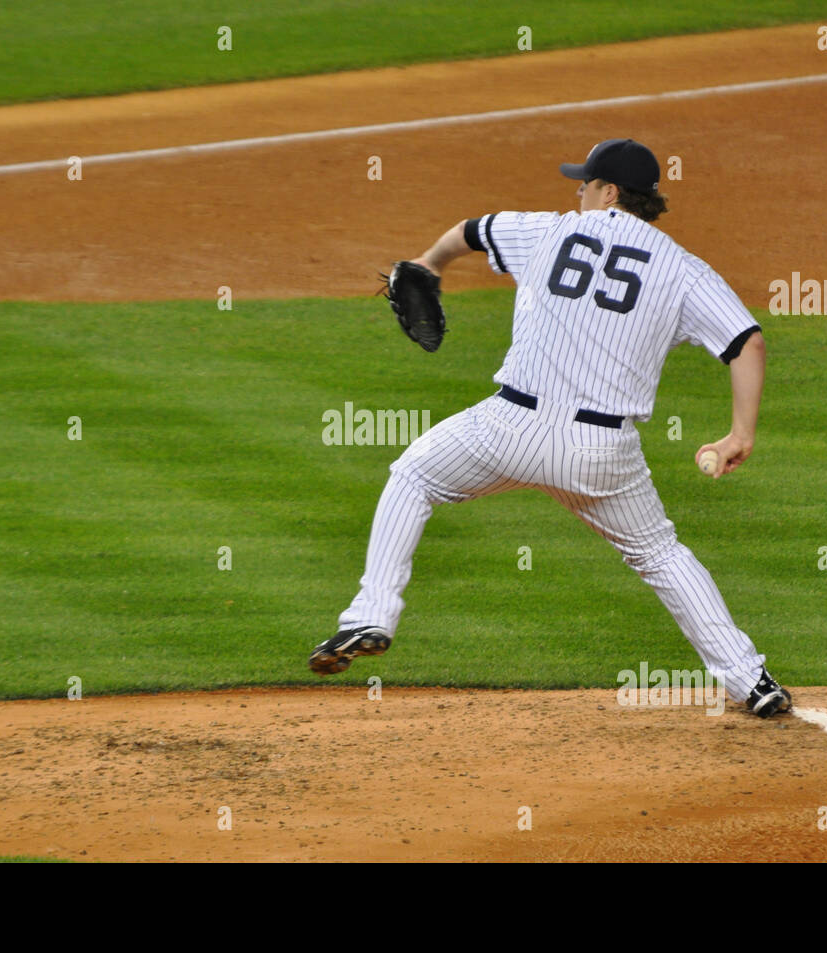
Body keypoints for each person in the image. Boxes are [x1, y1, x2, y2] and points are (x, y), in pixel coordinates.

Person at [309, 138, 792, 718]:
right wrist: (740, 433)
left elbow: (471, 229)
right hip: (600, 452)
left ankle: (370, 616)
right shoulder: (683, 269)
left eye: (584, 182)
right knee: (660, 555)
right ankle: (752, 683)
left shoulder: (548, 230)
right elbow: (748, 343)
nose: (576, 191)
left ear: (608, 192)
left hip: (507, 428)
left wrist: (427, 264)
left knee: (414, 475)